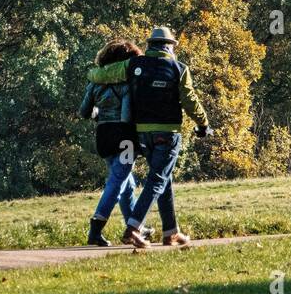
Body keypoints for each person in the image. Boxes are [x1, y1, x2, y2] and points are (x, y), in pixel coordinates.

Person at [86, 26, 209, 248]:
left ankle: (171, 232)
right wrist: (203, 123)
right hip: (168, 133)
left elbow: (103, 74)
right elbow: (189, 100)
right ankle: (133, 228)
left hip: (142, 134)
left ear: (150, 44)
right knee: (157, 180)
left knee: (164, 178)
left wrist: (91, 75)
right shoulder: (179, 68)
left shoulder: (134, 65)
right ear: (170, 46)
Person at [78, 38, 146, 246]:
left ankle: (136, 226)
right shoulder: (126, 84)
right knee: (117, 182)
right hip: (123, 137)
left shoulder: (95, 83)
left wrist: (100, 113)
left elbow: (84, 112)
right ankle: (96, 227)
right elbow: (126, 118)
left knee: (127, 182)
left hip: (103, 136)